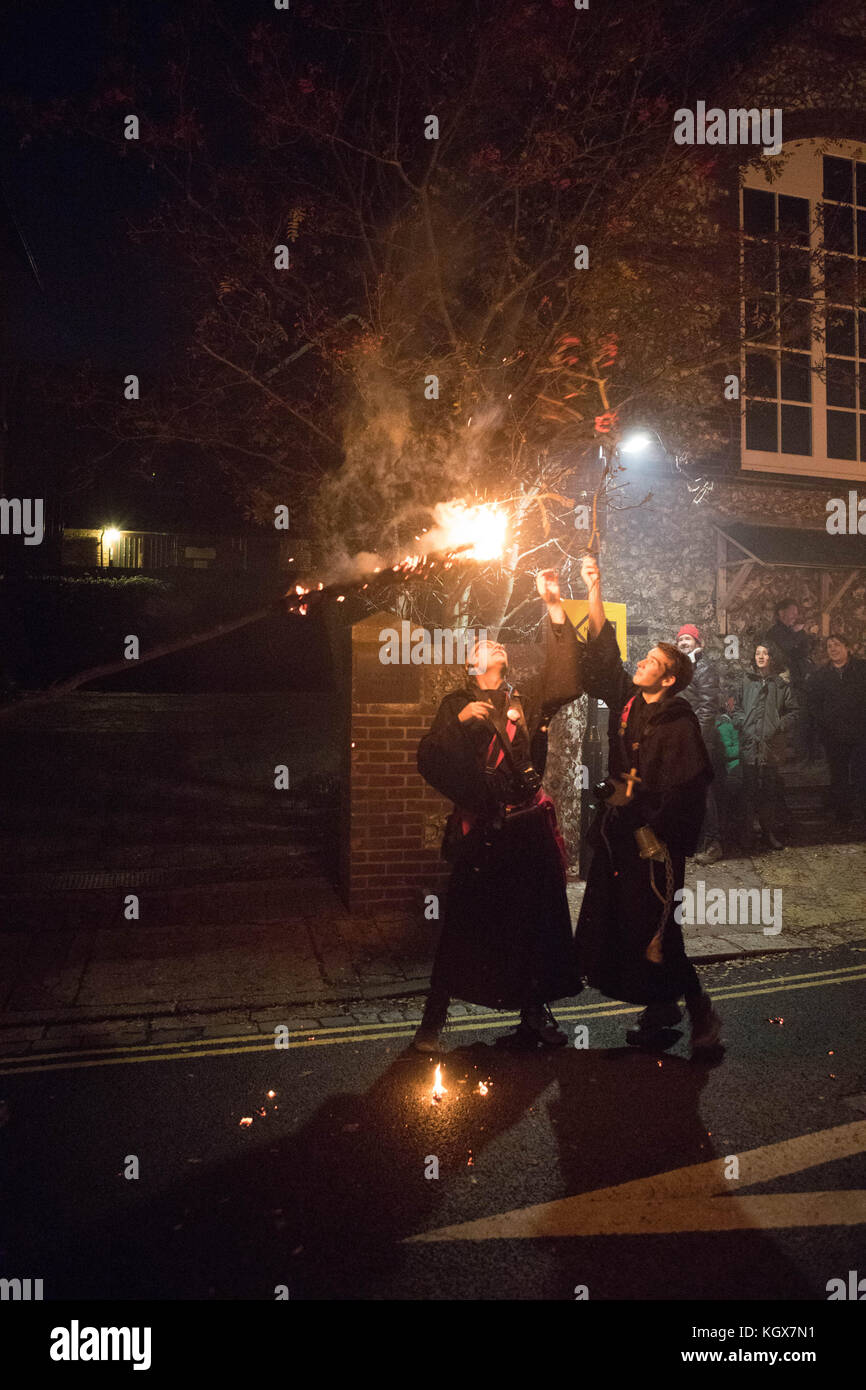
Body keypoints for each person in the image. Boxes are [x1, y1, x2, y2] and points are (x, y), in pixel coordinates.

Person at [412, 569, 584, 1053]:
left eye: (498, 645)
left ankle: (533, 1013)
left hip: (527, 829)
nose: (496, 646)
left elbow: (565, 678)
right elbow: (430, 758)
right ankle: (431, 1024)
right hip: (486, 830)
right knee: (464, 925)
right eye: (485, 647)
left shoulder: (522, 697)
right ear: (472, 666)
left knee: (534, 922)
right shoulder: (456, 704)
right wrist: (460, 723)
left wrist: (554, 606)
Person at [574, 554, 721, 1057]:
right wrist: (594, 588)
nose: (640, 663)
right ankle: (660, 1009)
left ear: (668, 679)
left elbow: (687, 788)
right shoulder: (630, 703)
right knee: (624, 925)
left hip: (656, 844)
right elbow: (603, 656)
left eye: (652, 662)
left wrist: (653, 831)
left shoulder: (679, 723)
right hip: (622, 835)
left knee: (660, 931)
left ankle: (701, 1012)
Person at [731, 638, 798, 851]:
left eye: (765, 653)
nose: (760, 656)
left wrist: (778, 725)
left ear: (772, 657)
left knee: (769, 792)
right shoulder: (746, 681)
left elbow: (794, 711)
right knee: (748, 791)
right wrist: (742, 723)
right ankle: (746, 833)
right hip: (750, 744)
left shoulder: (780, 684)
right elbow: (735, 707)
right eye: (758, 653)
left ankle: (769, 832)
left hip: (771, 746)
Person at [805, 633, 866, 827]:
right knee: (839, 775)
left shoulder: (862, 669)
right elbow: (813, 705)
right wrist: (826, 723)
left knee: (862, 774)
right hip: (834, 735)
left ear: (847, 648)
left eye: (837, 645)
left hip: (861, 733)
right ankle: (843, 815)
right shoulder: (820, 676)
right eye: (829, 646)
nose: (833, 649)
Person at [675, 624, 723, 863]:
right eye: (681, 639)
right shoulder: (682, 668)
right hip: (681, 738)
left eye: (688, 639)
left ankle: (713, 844)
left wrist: (699, 741)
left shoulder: (703, 668)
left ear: (697, 643)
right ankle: (692, 842)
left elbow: (707, 707)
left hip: (697, 740)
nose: (684, 642)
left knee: (703, 790)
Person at [767, 598, 813, 760]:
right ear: (781, 613)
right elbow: (788, 648)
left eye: (796, 612)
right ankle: (785, 756)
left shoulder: (791, 632)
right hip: (784, 684)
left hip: (798, 683)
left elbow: (804, 651)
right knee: (787, 720)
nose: (795, 616)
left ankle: (800, 755)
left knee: (800, 718)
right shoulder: (775, 632)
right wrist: (799, 632)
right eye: (792, 612)